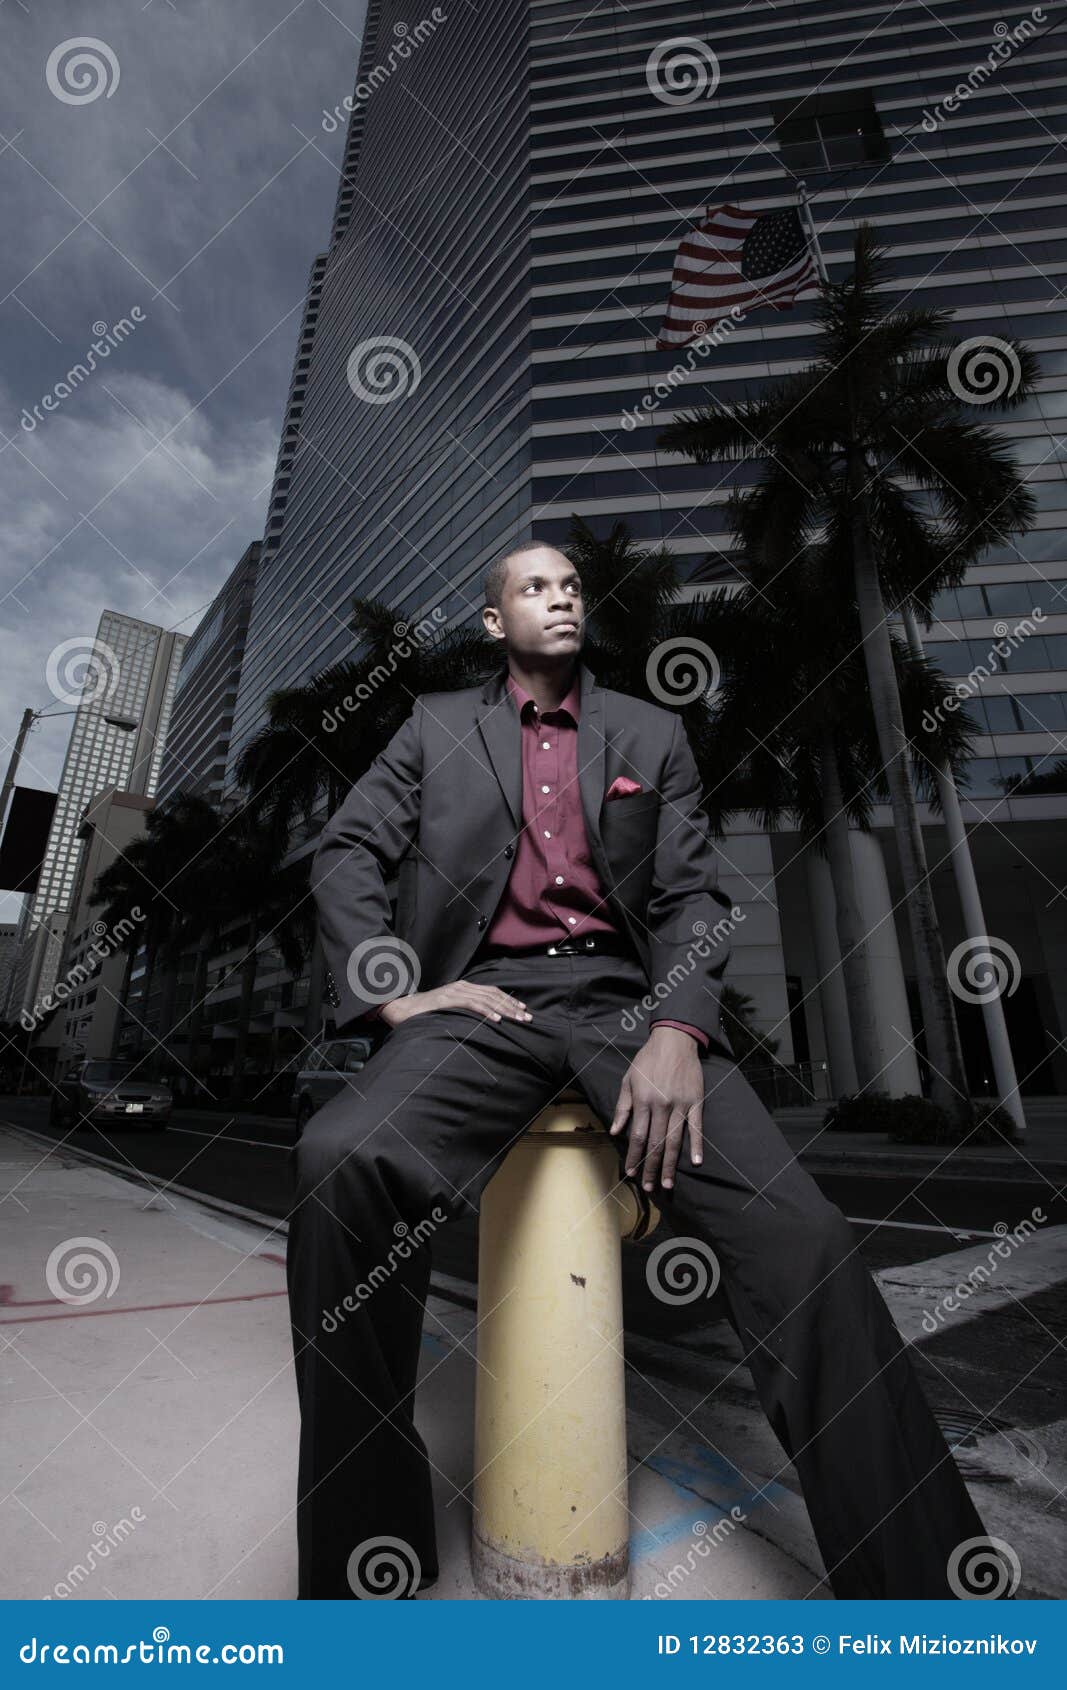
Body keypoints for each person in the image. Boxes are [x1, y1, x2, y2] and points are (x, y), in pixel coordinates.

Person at [287, 540, 997, 1601]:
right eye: (533, 586)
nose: (559, 596)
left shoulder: (648, 731)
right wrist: (395, 993)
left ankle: (924, 1603)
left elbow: (689, 899)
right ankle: (364, 1567)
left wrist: (677, 1029)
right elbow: (346, 852)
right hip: (482, 1003)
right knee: (338, 1158)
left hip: (626, 1006)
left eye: (570, 584)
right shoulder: (435, 727)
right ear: (494, 621)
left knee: (803, 1236)